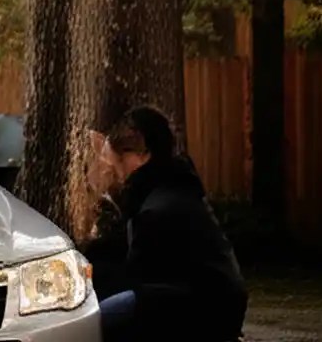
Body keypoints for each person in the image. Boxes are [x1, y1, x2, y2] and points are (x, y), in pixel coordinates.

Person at [95, 106, 247, 342]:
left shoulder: (158, 207)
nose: (119, 174)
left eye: (120, 162)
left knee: (97, 318)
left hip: (202, 309)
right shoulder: (175, 186)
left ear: (143, 154)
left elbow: (137, 274)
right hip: (219, 304)